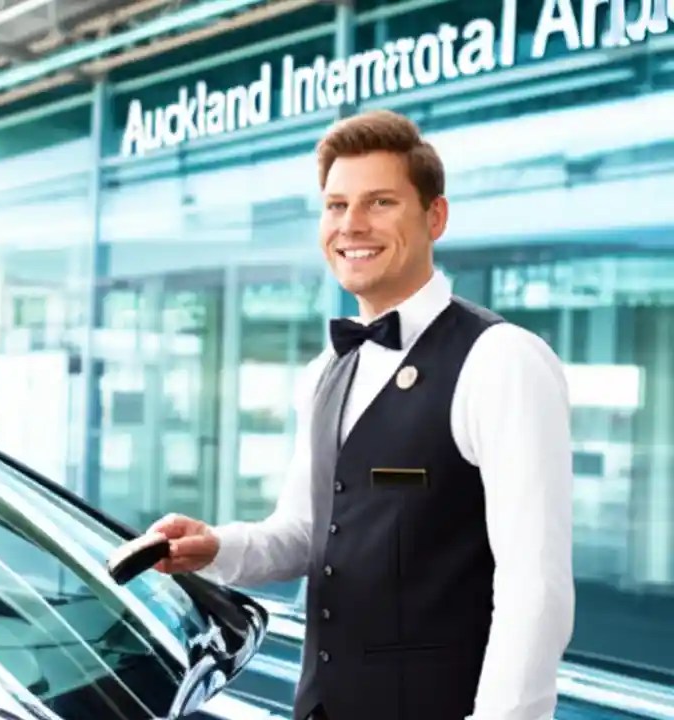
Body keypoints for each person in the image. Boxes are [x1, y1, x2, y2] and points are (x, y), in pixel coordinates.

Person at [149, 109, 575, 720]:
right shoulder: (326, 368)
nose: (351, 225)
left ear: (435, 216)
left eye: (379, 203)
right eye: (336, 205)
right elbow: (306, 532)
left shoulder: (501, 359)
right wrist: (214, 548)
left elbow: (536, 589)